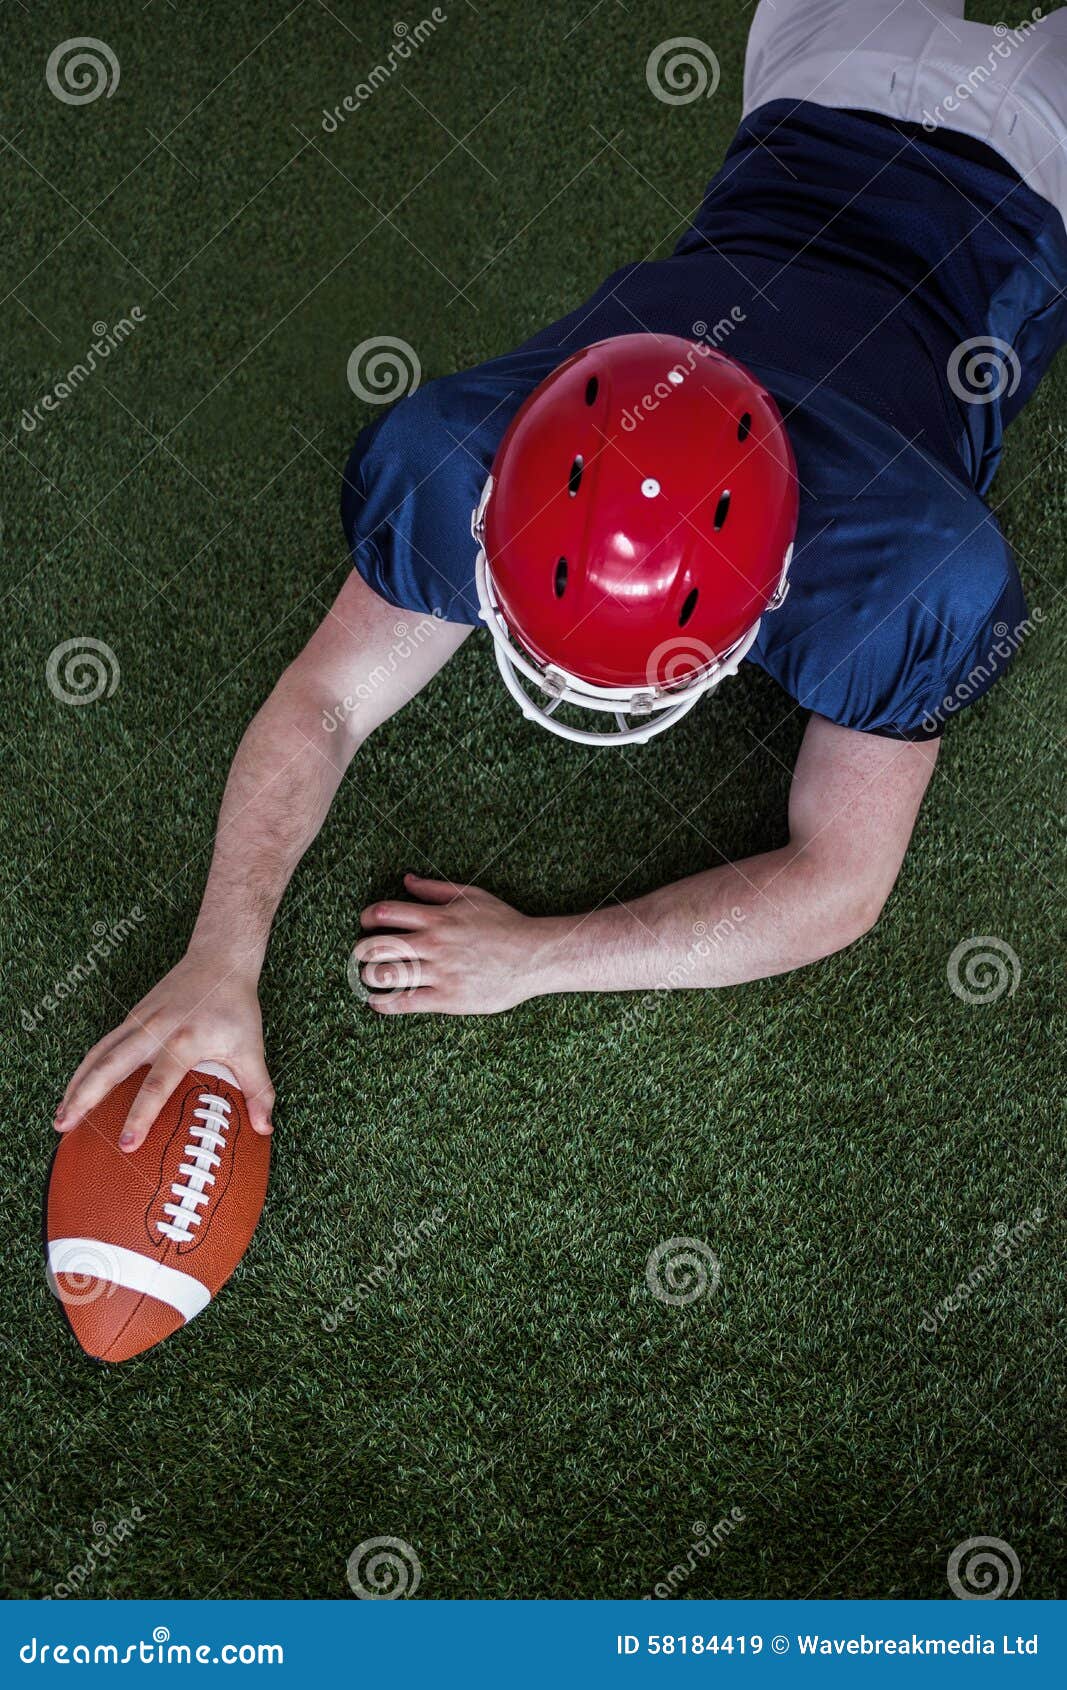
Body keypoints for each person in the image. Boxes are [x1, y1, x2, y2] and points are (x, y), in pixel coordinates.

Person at [56, 1, 1067, 1151]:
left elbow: (839, 885)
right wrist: (216, 958)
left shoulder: (906, 572)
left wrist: (541, 957)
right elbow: (325, 707)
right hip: (832, 84)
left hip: (1017, 155)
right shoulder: (473, 460)